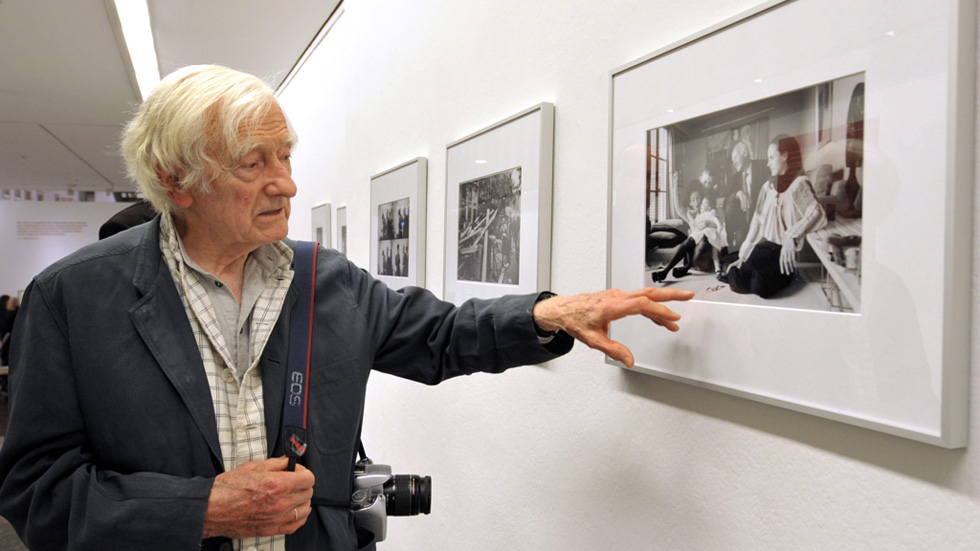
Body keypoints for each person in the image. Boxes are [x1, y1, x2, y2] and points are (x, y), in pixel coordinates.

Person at [0, 65, 694, 551]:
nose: (287, 182)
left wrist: (548, 314)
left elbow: (443, 336)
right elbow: (36, 490)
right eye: (254, 162)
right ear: (180, 179)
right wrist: (202, 510)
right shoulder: (71, 299)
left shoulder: (325, 281)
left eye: (286, 155)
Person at [720, 134, 827, 298]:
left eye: (771, 157)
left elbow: (817, 212)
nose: (768, 163)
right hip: (766, 246)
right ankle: (744, 269)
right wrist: (743, 256)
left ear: (785, 155)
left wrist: (791, 236)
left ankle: (755, 275)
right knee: (736, 273)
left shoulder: (799, 183)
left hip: (783, 251)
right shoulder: (768, 187)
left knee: (760, 286)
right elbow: (756, 222)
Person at [651, 183, 727, 282]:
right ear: (690, 203)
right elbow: (678, 207)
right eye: (693, 200)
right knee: (690, 240)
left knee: (700, 238)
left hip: (706, 248)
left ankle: (681, 268)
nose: (696, 202)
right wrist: (675, 182)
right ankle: (668, 271)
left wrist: (707, 224)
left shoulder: (708, 211)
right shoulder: (689, 214)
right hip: (694, 250)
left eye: (698, 198)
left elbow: (717, 224)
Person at [724, 141, 767, 250]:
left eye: (736, 158)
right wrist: (737, 193)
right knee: (738, 249)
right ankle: (729, 244)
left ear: (745, 153)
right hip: (742, 221)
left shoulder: (762, 166)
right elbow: (725, 201)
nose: (734, 163)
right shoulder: (735, 178)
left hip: (760, 218)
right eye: (733, 160)